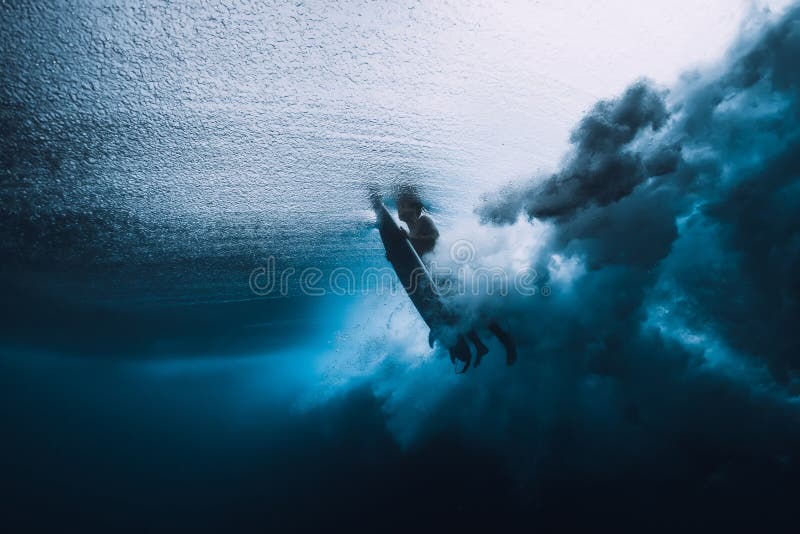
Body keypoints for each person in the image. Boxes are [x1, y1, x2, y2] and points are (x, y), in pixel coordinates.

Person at [395, 188, 516, 371]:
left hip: (447, 274)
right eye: (398, 207)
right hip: (434, 277)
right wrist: (398, 254)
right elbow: (414, 254)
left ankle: (506, 341)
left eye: (403, 205)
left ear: (416, 209)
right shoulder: (411, 230)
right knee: (454, 315)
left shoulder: (424, 220)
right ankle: (479, 346)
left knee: (472, 309)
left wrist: (409, 238)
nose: (400, 209)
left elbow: (434, 238)